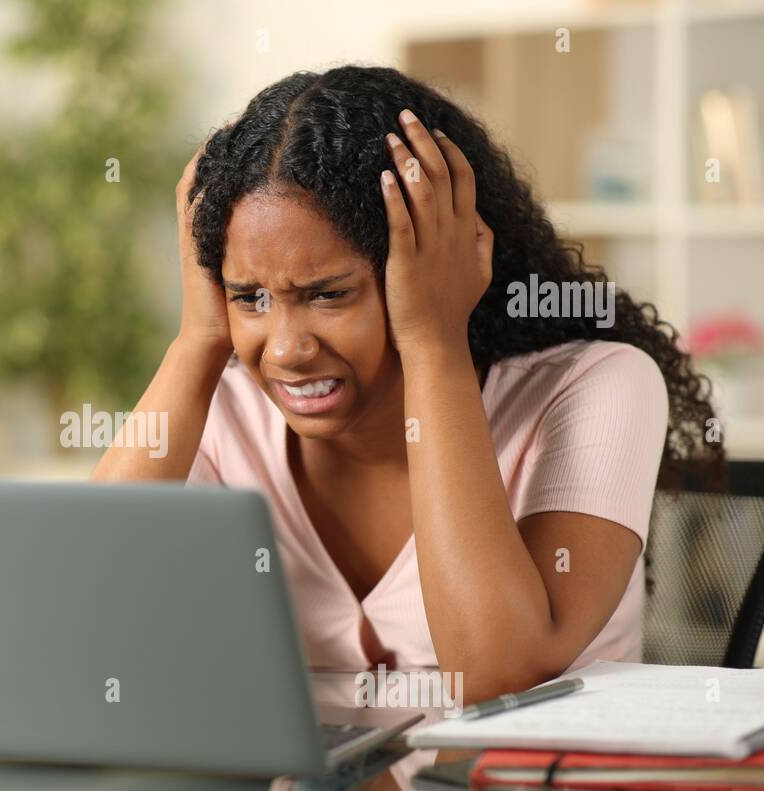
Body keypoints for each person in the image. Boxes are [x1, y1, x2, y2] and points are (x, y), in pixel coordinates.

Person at [93, 65, 721, 711]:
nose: (285, 349)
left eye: (329, 294)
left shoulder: (595, 387)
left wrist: (433, 340)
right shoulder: (223, 408)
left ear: (440, 262)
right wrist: (198, 340)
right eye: (249, 296)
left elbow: (496, 674)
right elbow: (78, 620)